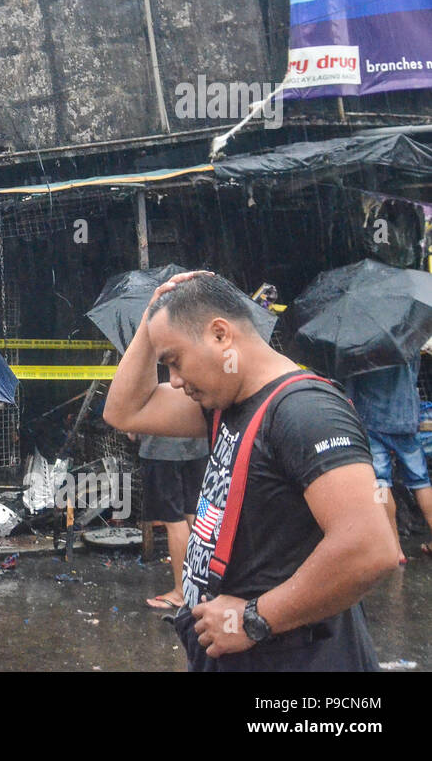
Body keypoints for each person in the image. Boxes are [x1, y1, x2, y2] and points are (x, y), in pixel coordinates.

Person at [103, 270, 400, 671]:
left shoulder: (304, 411)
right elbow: (125, 411)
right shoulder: (228, 405)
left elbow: (370, 548)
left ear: (221, 335)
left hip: (293, 656)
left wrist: (256, 618)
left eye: (174, 362)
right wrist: (152, 322)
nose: (173, 381)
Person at [346, 357, 432, 562]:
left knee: (381, 483)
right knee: (421, 481)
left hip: (372, 421)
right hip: (406, 418)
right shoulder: (405, 339)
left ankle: (394, 548)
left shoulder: (357, 347)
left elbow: (348, 390)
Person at [129, 430, 209, 610]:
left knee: (173, 520)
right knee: (196, 514)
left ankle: (182, 592)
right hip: (199, 447)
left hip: (162, 451)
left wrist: (133, 427)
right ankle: (202, 587)